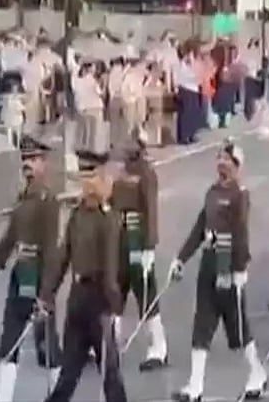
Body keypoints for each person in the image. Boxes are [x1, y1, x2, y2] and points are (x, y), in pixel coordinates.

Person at [168, 142, 268, 402]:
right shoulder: (211, 192)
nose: (221, 163)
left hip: (229, 266)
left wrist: (240, 268)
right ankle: (195, 386)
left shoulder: (240, 195)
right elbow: (199, 228)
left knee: (237, 328)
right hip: (209, 264)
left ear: (236, 166)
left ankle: (257, 372)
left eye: (226, 159)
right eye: (219, 158)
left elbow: (241, 233)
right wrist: (181, 258)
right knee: (202, 324)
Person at [0, 137, 63, 402]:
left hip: (38, 279)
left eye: (33, 160)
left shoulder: (48, 201)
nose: (27, 165)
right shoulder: (23, 197)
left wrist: (46, 295)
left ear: (43, 164)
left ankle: (58, 395)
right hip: (20, 276)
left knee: (46, 346)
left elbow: (51, 251)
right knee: (9, 342)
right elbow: (9, 240)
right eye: (25, 159)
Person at [40, 164, 128, 402]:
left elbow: (61, 258)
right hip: (99, 301)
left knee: (69, 370)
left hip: (77, 297)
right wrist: (116, 307)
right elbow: (111, 269)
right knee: (110, 372)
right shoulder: (109, 219)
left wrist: (47, 293)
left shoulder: (76, 216)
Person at [112, 132, 169, 371]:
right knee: (115, 292)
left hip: (137, 237)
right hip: (120, 237)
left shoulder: (146, 172)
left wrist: (149, 246)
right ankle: (109, 343)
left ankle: (158, 346)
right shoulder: (122, 171)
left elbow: (151, 210)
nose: (123, 147)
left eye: (128, 143)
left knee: (145, 293)